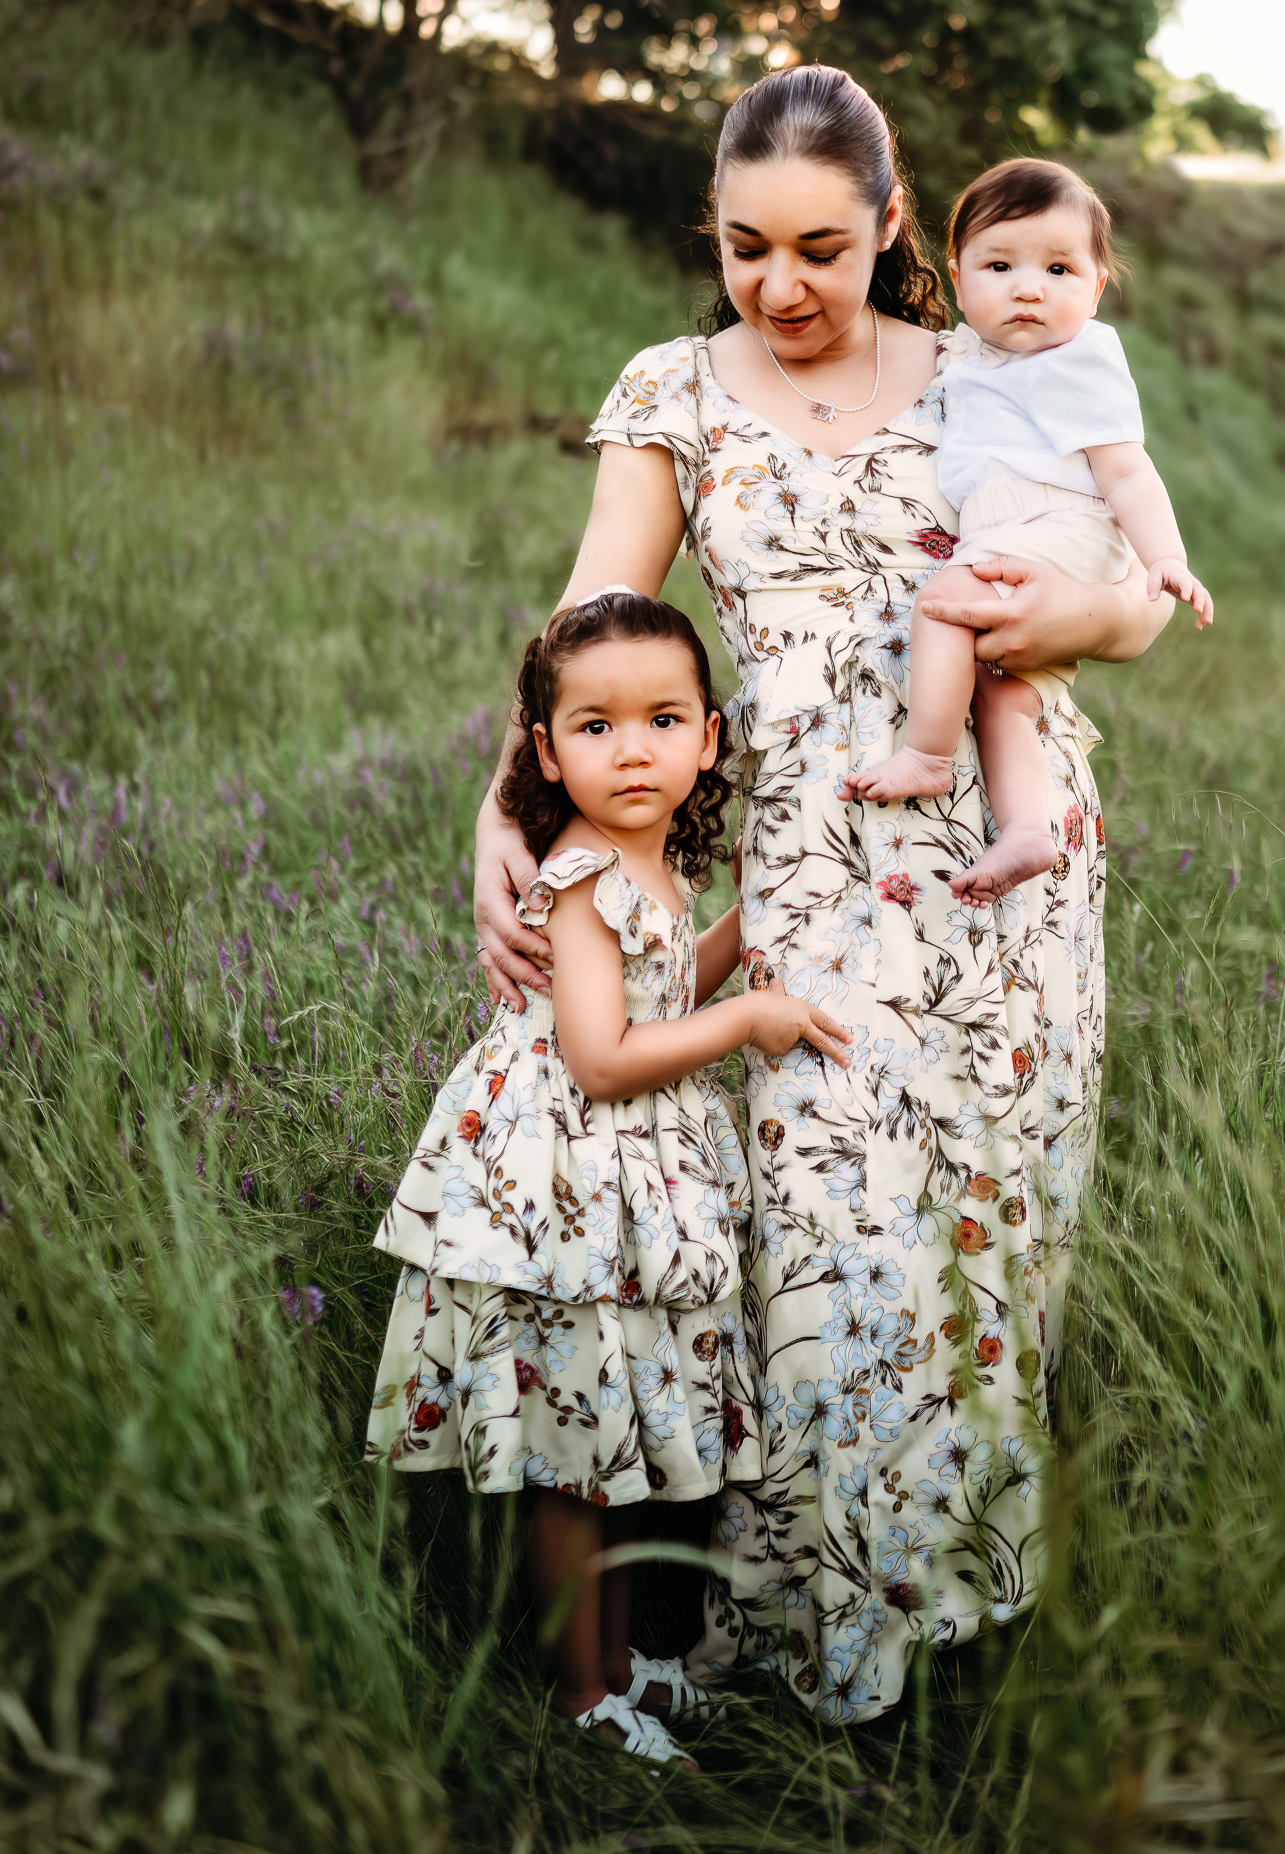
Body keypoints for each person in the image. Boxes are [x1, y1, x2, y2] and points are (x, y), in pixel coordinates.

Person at [472, 65, 1173, 1724]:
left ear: (890, 228)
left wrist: (1075, 623)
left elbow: (1134, 588)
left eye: (820, 249)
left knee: (980, 1249)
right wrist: (502, 813)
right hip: (811, 867)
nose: (779, 286)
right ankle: (801, 1656)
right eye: (742, 247)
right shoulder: (676, 391)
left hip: (1006, 862)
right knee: (822, 1245)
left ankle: (935, 1643)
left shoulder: (990, 364)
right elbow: (589, 619)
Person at [365, 590, 851, 1765]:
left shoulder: (643, 860)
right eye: (593, 726)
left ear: (708, 738)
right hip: (561, 1200)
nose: (631, 749)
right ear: (543, 749)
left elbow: (661, 981)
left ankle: (626, 1664)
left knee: (614, 1456)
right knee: (570, 1467)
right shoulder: (580, 876)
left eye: (661, 719)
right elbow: (603, 1052)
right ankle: (579, 1694)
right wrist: (748, 1021)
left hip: (619, 1197)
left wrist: (747, 924)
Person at [840, 159, 1212, 902]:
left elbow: (1127, 472)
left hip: (1054, 525)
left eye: (1059, 269)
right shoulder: (972, 358)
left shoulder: (1077, 360)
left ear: (1096, 287)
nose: (1028, 287)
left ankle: (926, 754)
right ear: (956, 277)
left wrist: (1163, 557)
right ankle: (1025, 831)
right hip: (1018, 533)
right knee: (1003, 695)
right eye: (1000, 265)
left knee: (945, 599)